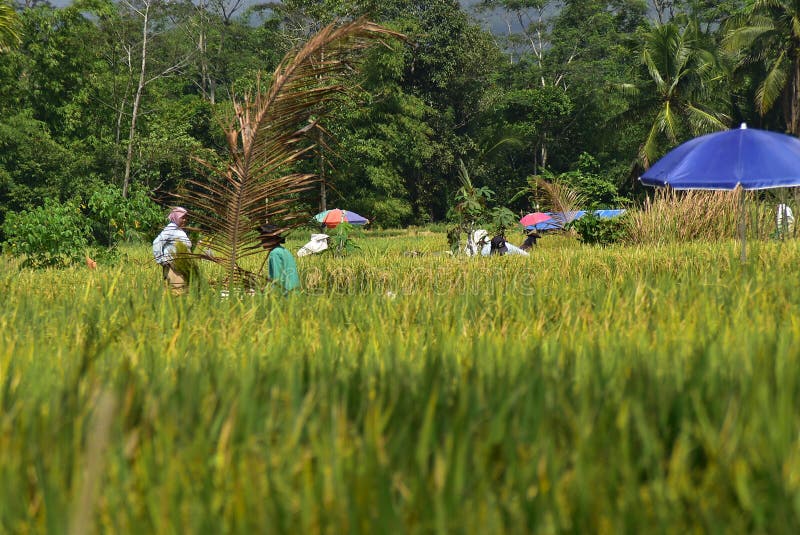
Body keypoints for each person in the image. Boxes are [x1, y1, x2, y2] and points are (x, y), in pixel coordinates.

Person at [152, 207, 192, 294]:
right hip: (174, 268)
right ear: (176, 217)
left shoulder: (178, 229)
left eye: (186, 218)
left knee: (181, 293)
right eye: (182, 217)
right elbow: (157, 242)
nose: (185, 220)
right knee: (176, 292)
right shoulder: (171, 228)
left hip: (181, 267)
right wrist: (162, 260)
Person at [259, 224, 300, 292]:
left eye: (264, 239)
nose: (261, 242)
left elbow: (277, 280)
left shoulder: (274, 253)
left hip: (286, 295)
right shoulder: (284, 250)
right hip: (294, 293)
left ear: (273, 239)